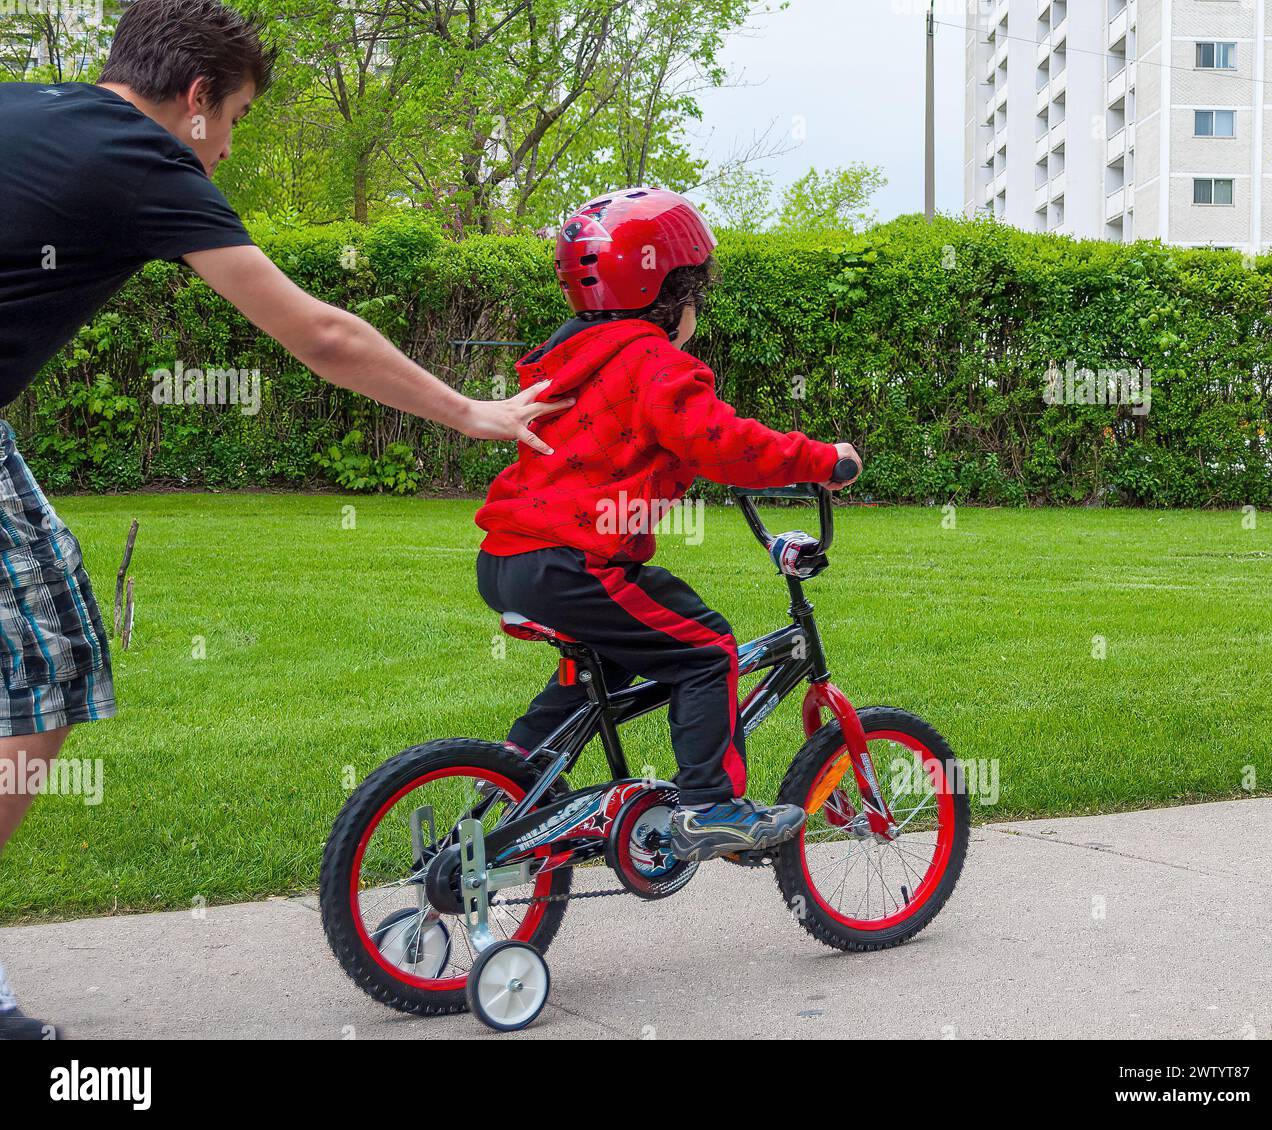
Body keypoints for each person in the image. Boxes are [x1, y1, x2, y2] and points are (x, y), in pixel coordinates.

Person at [0, 0, 570, 1040]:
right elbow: (319, 332)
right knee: (47, 672)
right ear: (199, 99)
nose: (225, 150)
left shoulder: (27, 109)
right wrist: (470, 411)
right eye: (239, 121)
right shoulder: (144, 153)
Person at [475, 186, 862, 864]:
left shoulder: (573, 359)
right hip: (577, 563)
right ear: (671, 293)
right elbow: (724, 443)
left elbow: (638, 447)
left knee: (611, 659)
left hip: (511, 561)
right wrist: (823, 460)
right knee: (705, 648)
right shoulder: (653, 362)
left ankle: (514, 773)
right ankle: (710, 806)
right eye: (695, 294)